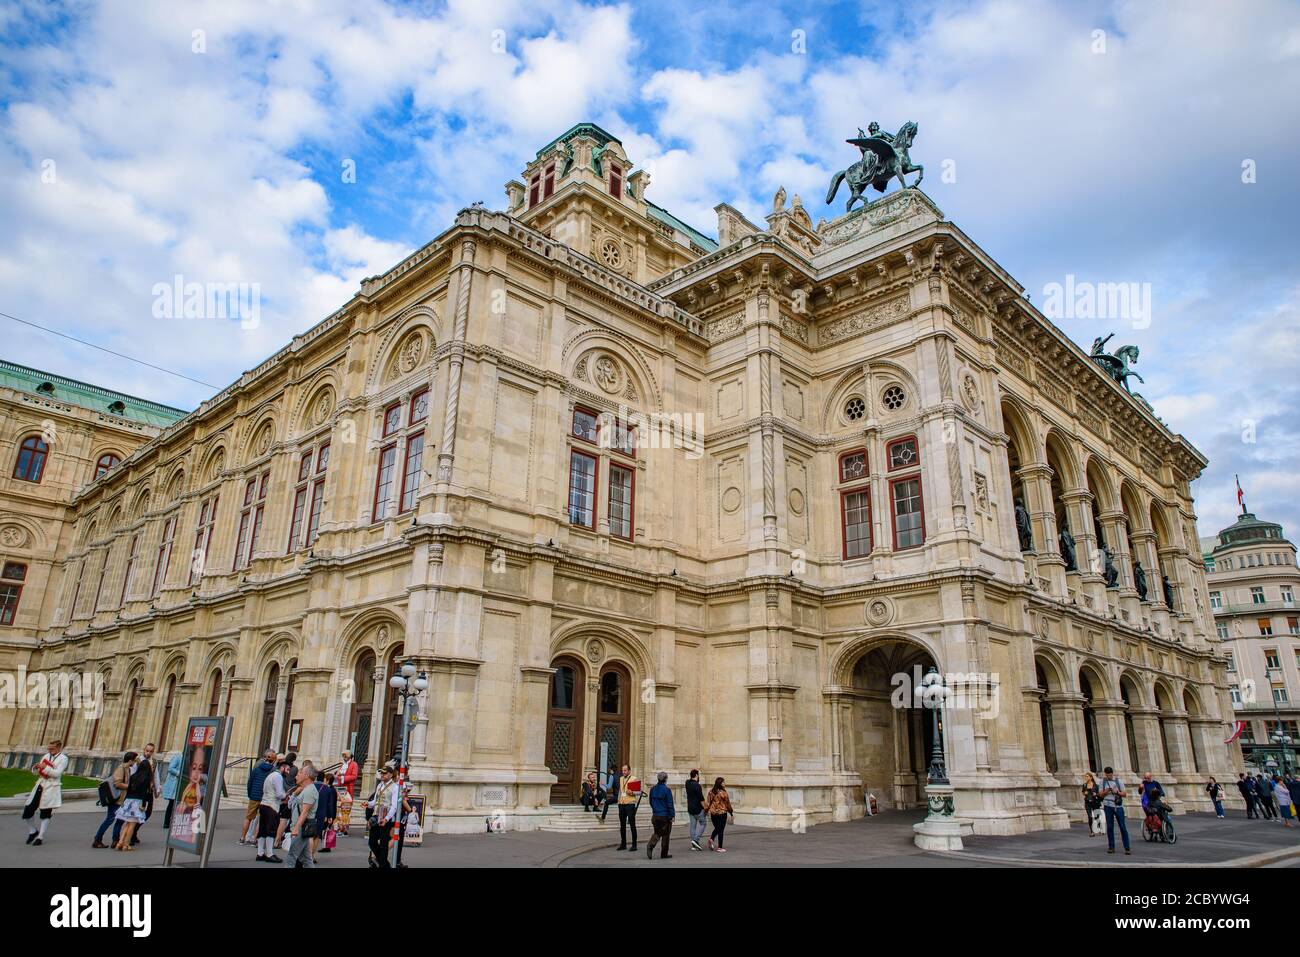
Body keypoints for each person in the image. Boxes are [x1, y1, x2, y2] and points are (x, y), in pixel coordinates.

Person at [22, 739, 68, 847]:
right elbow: (39, 771)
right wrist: (36, 767)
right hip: (41, 784)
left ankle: (40, 836)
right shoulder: (46, 756)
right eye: (49, 748)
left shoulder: (63, 758)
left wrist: (45, 767)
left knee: (46, 812)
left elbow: (57, 774)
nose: (50, 750)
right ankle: (33, 831)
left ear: (58, 748)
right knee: (28, 810)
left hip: (51, 787)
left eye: (52, 748)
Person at [113, 742, 154, 851]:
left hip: (128, 802)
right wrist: (143, 805)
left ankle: (120, 843)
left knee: (126, 823)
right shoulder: (146, 779)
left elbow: (129, 789)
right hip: (137, 803)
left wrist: (125, 802)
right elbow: (144, 794)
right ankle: (126, 844)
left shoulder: (133, 776)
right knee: (132, 824)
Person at [94, 751, 135, 848]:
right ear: (130, 760)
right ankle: (97, 839)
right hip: (116, 799)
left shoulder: (127, 769)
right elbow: (117, 783)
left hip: (121, 800)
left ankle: (115, 840)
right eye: (134, 760)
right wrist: (130, 787)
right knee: (109, 819)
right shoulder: (121, 769)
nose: (135, 763)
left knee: (120, 820)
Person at [284, 764, 319, 867]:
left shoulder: (310, 791)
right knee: (306, 859)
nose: (296, 776)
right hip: (302, 828)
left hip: (302, 828)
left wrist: (296, 829)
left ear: (307, 775)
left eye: (300, 773)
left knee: (291, 857)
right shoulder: (306, 789)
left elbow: (305, 812)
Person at [367, 764, 400, 868]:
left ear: (390, 775)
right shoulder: (379, 785)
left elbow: (394, 806)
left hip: (386, 818)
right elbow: (375, 801)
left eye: (385, 773)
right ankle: (385, 863)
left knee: (383, 844)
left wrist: (386, 819)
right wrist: (368, 804)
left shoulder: (395, 787)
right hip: (376, 816)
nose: (382, 775)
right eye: (382, 773)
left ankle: (383, 865)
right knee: (372, 842)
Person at [256, 754, 286, 863]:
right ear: (282, 768)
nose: (287, 771)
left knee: (263, 830)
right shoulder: (278, 777)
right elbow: (279, 794)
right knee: (271, 830)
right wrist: (285, 795)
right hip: (272, 806)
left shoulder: (270, 775)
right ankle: (269, 854)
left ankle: (260, 853)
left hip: (264, 803)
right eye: (286, 769)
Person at [242, 750, 277, 844]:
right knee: (261, 819)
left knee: (248, 817)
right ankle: (255, 838)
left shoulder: (257, 768)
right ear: (273, 760)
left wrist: (250, 793)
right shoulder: (273, 771)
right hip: (264, 796)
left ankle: (242, 837)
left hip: (254, 795)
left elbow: (250, 782)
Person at [1099, 766, 1130, 855]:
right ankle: (1111, 847)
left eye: (1110, 775)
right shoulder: (1102, 781)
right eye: (1107, 775)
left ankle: (1127, 847)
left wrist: (1116, 792)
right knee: (1109, 827)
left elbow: (1124, 794)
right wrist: (1106, 791)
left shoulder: (1118, 781)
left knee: (1122, 827)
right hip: (1107, 805)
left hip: (1118, 806)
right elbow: (1100, 794)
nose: (1109, 776)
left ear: (1112, 773)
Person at [645, 771, 675, 860]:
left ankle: (651, 845)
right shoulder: (667, 790)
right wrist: (672, 815)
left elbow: (650, 801)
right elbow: (670, 804)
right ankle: (663, 853)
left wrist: (655, 809)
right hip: (664, 815)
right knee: (665, 835)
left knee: (657, 832)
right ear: (665, 779)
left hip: (655, 815)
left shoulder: (653, 789)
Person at [614, 764, 641, 852]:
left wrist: (632, 792)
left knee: (632, 825)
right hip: (622, 804)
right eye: (623, 770)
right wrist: (618, 802)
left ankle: (634, 844)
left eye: (625, 770)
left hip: (630, 804)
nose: (623, 772)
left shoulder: (634, 778)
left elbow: (638, 792)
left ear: (629, 771)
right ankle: (623, 844)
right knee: (622, 825)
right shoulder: (621, 779)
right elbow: (620, 791)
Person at [704, 776, 734, 853]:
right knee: (721, 830)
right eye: (723, 782)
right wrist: (731, 813)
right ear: (720, 784)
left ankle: (711, 839)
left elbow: (708, 802)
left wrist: (706, 811)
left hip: (713, 814)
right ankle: (719, 847)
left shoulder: (711, 792)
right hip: (722, 813)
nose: (724, 783)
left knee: (717, 828)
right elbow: (728, 804)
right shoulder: (723, 793)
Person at [313, 772, 338, 860]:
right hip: (322, 814)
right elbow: (330, 804)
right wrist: (330, 816)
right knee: (317, 835)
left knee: (310, 835)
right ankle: (312, 855)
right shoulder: (327, 789)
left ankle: (309, 855)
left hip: (312, 813)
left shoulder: (312, 786)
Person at [276, 753, 299, 848]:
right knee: (284, 819)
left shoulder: (281, 768)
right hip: (287, 794)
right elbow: (290, 781)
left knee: (281, 817)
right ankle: (277, 840)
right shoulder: (293, 769)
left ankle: (275, 839)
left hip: (281, 792)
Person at [161, 748, 185, 830]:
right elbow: (170, 768)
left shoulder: (187, 759)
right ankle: (166, 822)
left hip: (181, 784)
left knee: (178, 804)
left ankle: (174, 821)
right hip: (174, 783)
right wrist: (180, 773)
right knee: (172, 803)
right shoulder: (178, 757)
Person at [685, 769, 707, 850]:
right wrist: (706, 808)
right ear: (697, 775)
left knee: (692, 826)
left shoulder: (687, 783)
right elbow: (701, 799)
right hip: (698, 808)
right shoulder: (697, 786)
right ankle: (696, 839)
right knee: (703, 823)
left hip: (690, 808)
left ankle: (694, 844)